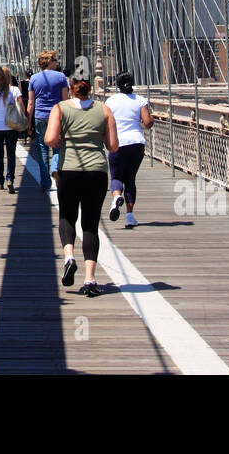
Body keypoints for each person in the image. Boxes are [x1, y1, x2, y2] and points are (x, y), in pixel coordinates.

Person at [46, 78, 117, 297]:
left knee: (67, 217)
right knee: (90, 224)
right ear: (89, 90)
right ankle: (90, 279)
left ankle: (69, 257)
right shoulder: (104, 109)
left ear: (72, 91)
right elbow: (113, 146)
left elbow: (50, 139)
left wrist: (61, 140)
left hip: (69, 170)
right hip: (96, 172)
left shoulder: (60, 108)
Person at [105, 72, 153, 227]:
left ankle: (116, 198)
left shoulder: (111, 101)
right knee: (130, 179)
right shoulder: (140, 100)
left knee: (116, 177)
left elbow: (104, 122)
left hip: (117, 142)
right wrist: (151, 117)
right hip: (136, 143)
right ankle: (130, 216)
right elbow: (147, 123)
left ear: (117, 85)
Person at [27, 50, 69, 190]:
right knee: (58, 145)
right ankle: (56, 167)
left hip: (40, 116)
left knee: (42, 149)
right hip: (57, 115)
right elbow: (65, 100)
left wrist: (28, 122)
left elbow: (31, 103)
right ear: (49, 62)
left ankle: (45, 183)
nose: (57, 62)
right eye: (55, 60)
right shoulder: (61, 77)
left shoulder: (33, 78)